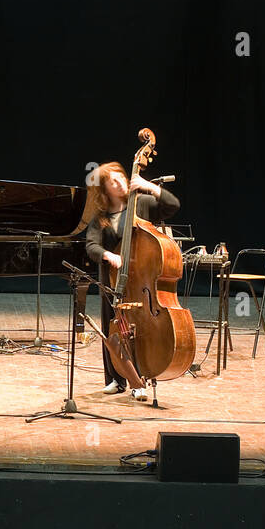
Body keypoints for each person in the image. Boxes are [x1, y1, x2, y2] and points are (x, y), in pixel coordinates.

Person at [83, 161, 181, 400]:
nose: (120, 183)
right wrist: (108, 255)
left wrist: (151, 187)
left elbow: (172, 205)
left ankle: (139, 378)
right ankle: (115, 380)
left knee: (137, 331)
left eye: (121, 178)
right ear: (105, 190)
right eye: (113, 181)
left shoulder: (142, 205)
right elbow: (91, 246)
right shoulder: (101, 219)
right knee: (112, 329)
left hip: (142, 283)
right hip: (113, 281)